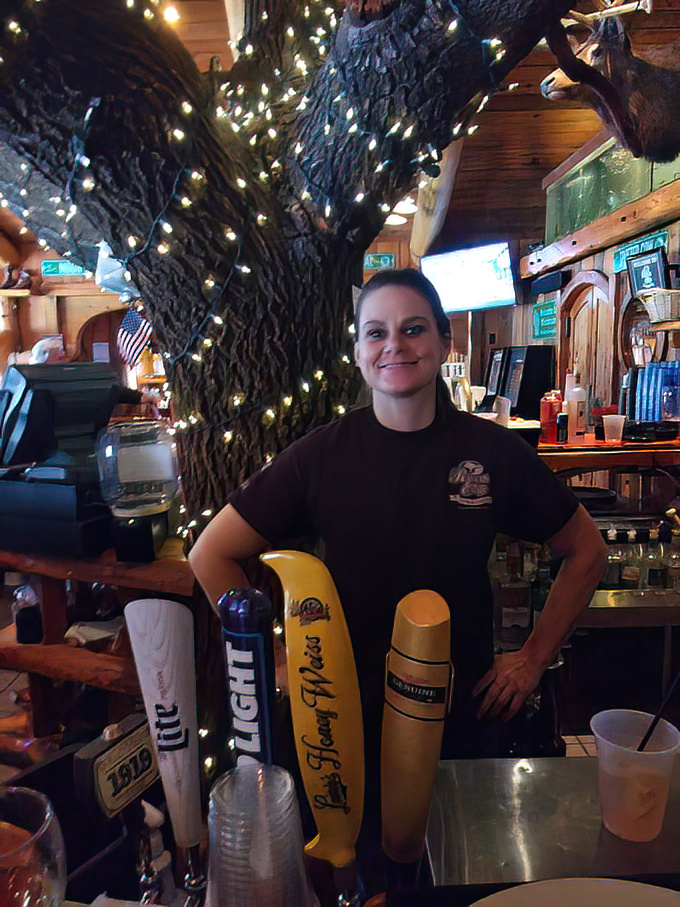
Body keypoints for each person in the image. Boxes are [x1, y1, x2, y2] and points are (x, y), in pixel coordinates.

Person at [190, 266, 606, 767]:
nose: (395, 345)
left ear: (445, 340)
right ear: (359, 354)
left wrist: (534, 659)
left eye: (413, 328)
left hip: (462, 716)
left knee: (455, 845)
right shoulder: (319, 456)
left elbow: (587, 551)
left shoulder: (492, 451)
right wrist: (275, 659)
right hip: (342, 718)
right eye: (376, 333)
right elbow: (210, 553)